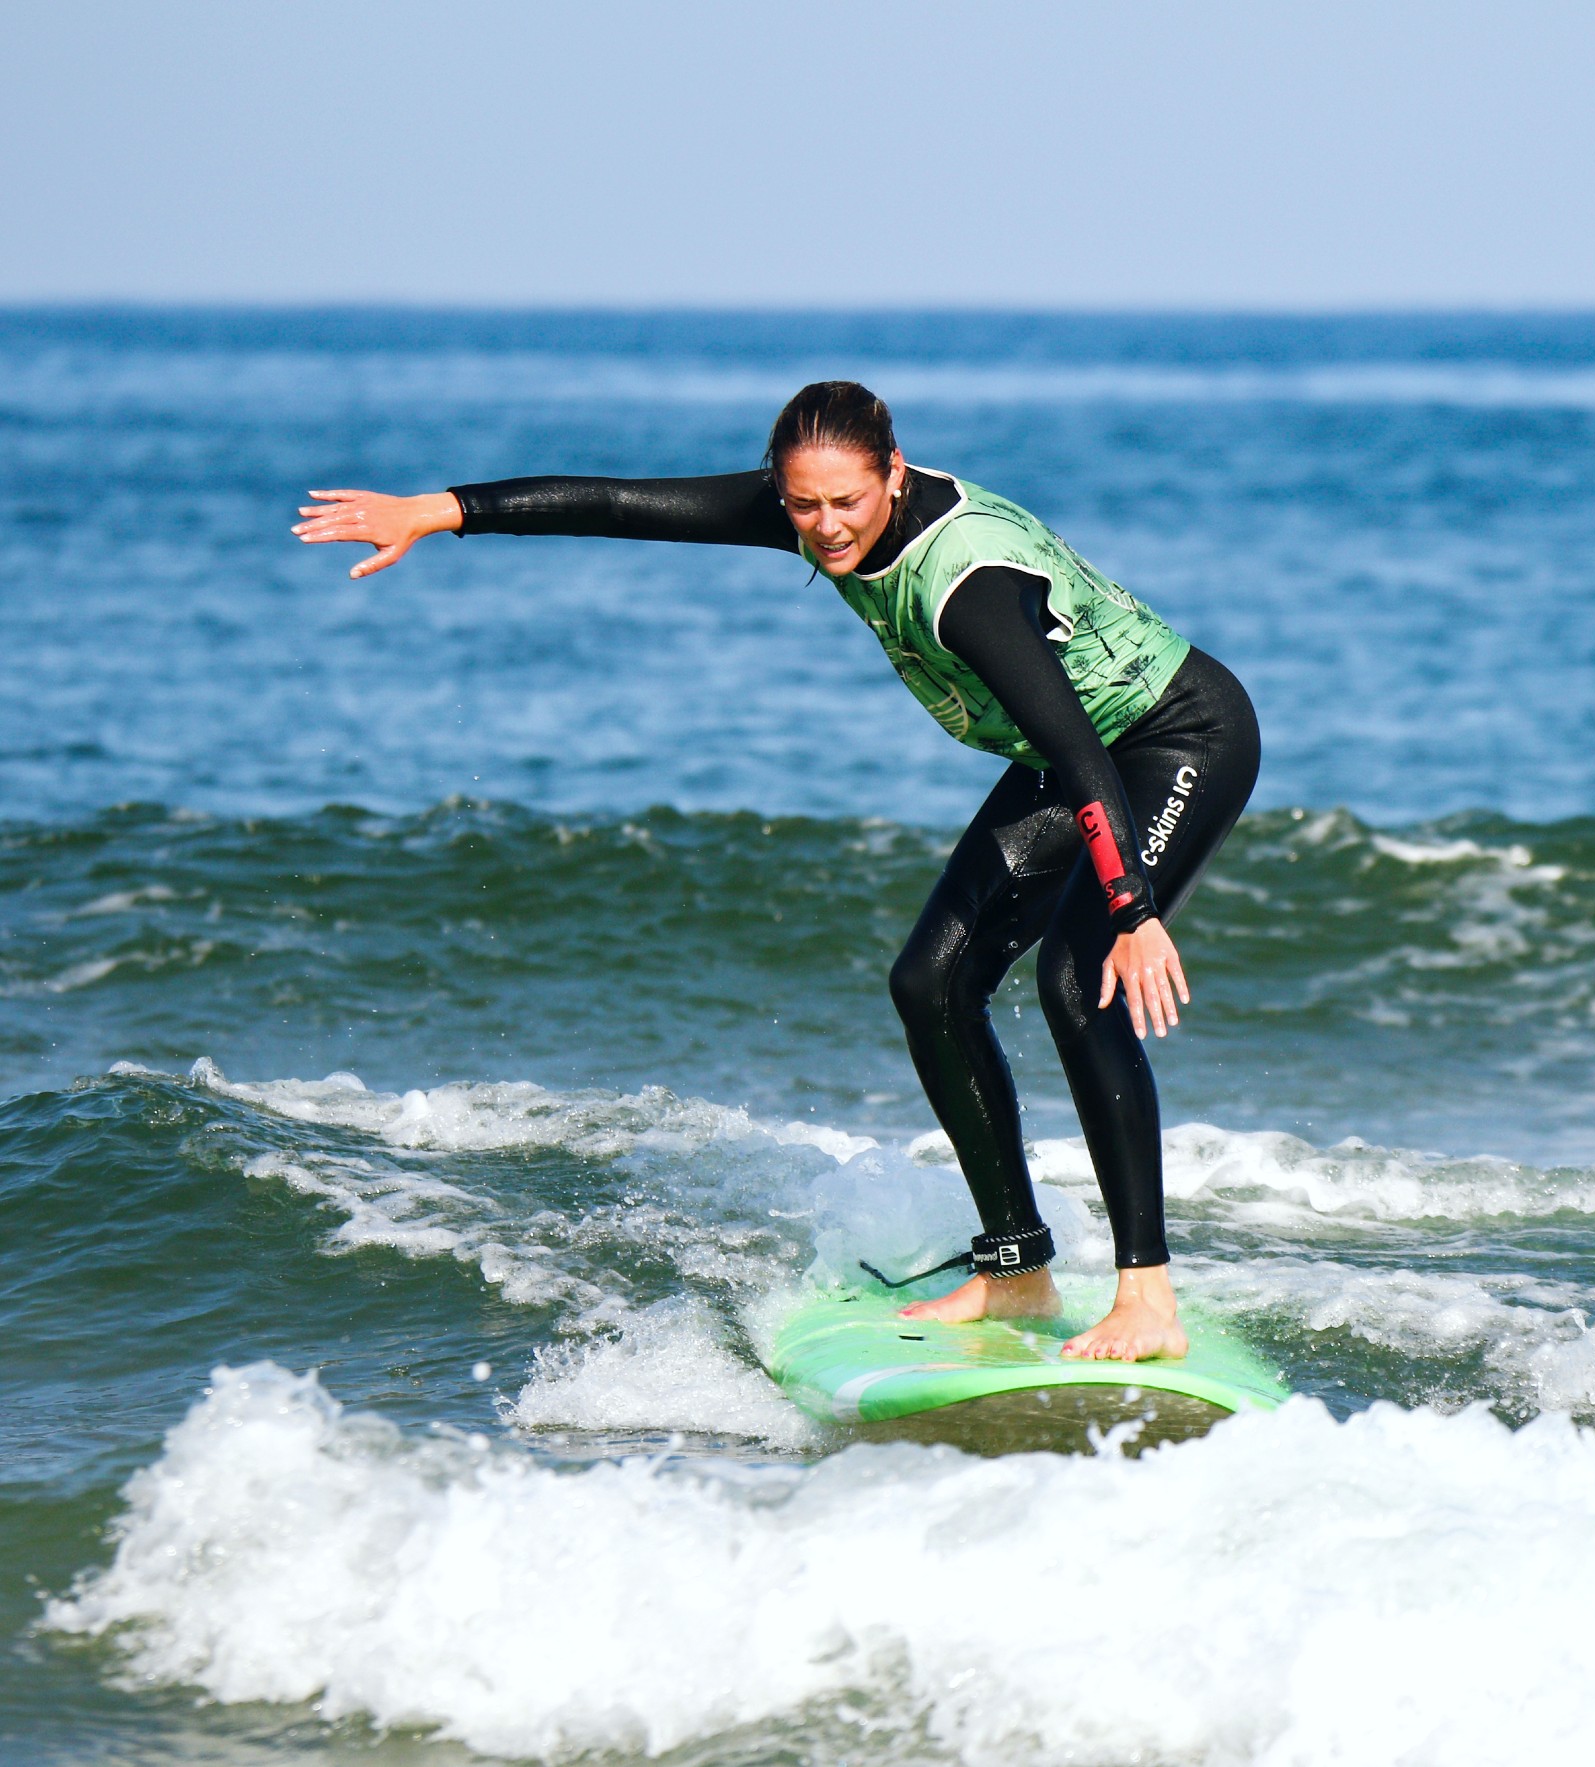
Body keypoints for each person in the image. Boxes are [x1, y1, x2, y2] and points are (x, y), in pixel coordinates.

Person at [293, 381, 1259, 1361]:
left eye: (847, 501)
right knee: (930, 982)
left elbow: (1084, 756)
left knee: (1072, 979)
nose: (826, 527)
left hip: (1173, 741)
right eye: (802, 505)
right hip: (1078, 756)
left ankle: (1148, 1300)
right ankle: (1016, 1273)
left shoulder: (969, 594)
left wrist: (1132, 907)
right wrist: (442, 510)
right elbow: (623, 506)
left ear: (893, 472)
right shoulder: (810, 514)